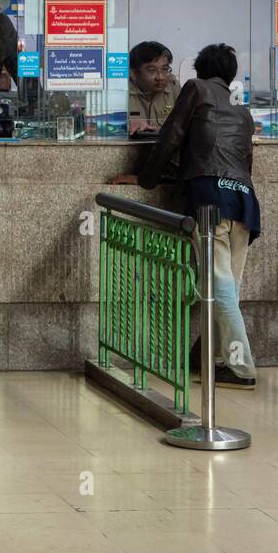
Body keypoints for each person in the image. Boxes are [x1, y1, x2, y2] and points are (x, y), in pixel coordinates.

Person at [110, 42, 258, 389]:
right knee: (229, 286)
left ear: (200, 70)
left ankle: (242, 367)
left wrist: (145, 179)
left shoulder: (195, 88)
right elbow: (245, 157)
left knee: (218, 284)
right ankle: (212, 356)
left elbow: (171, 137)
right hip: (245, 199)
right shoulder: (243, 109)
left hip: (210, 196)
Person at [127, 40, 180, 134]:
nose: (160, 77)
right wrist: (125, 125)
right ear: (134, 73)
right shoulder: (121, 91)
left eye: (165, 69)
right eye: (152, 70)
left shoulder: (173, 87)